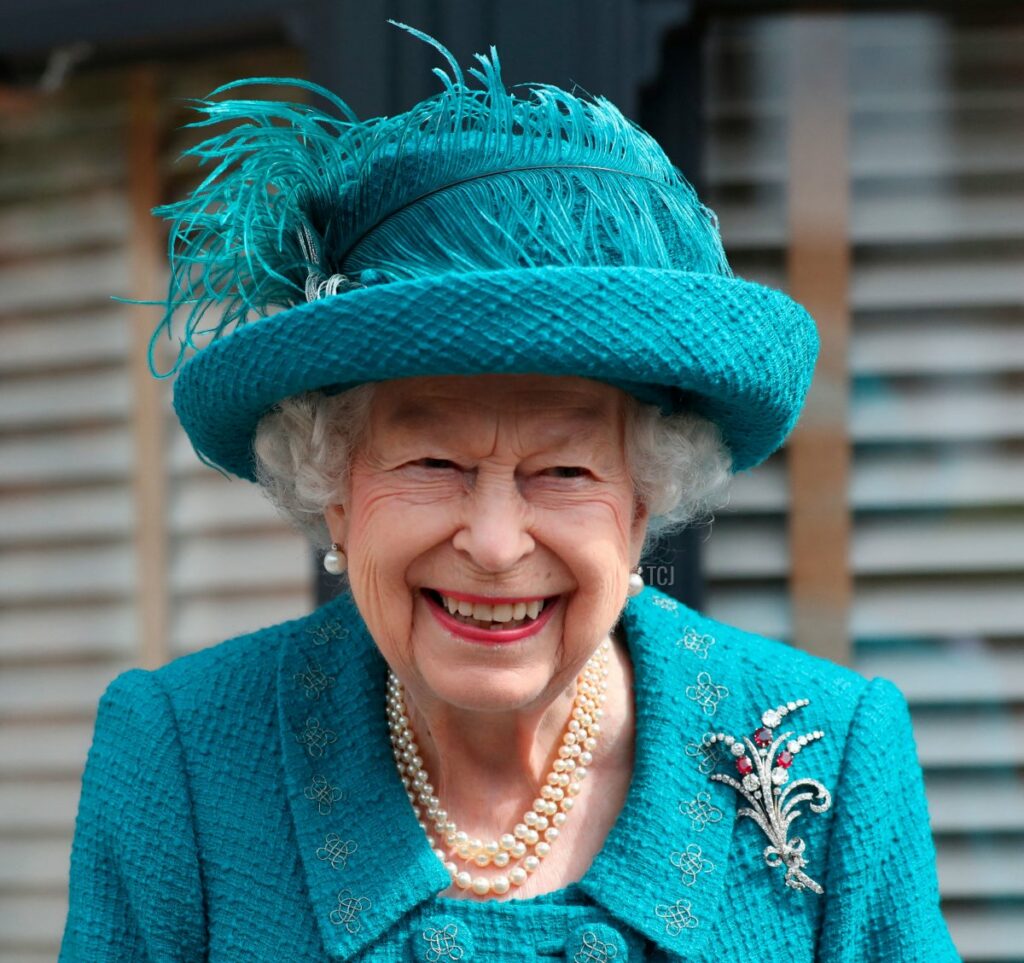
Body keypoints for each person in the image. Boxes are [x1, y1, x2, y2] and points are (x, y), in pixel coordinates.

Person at [59, 22, 960, 963]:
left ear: (644, 499)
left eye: (563, 471)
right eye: (432, 464)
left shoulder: (832, 759)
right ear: (333, 486)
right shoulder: (182, 761)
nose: (494, 543)